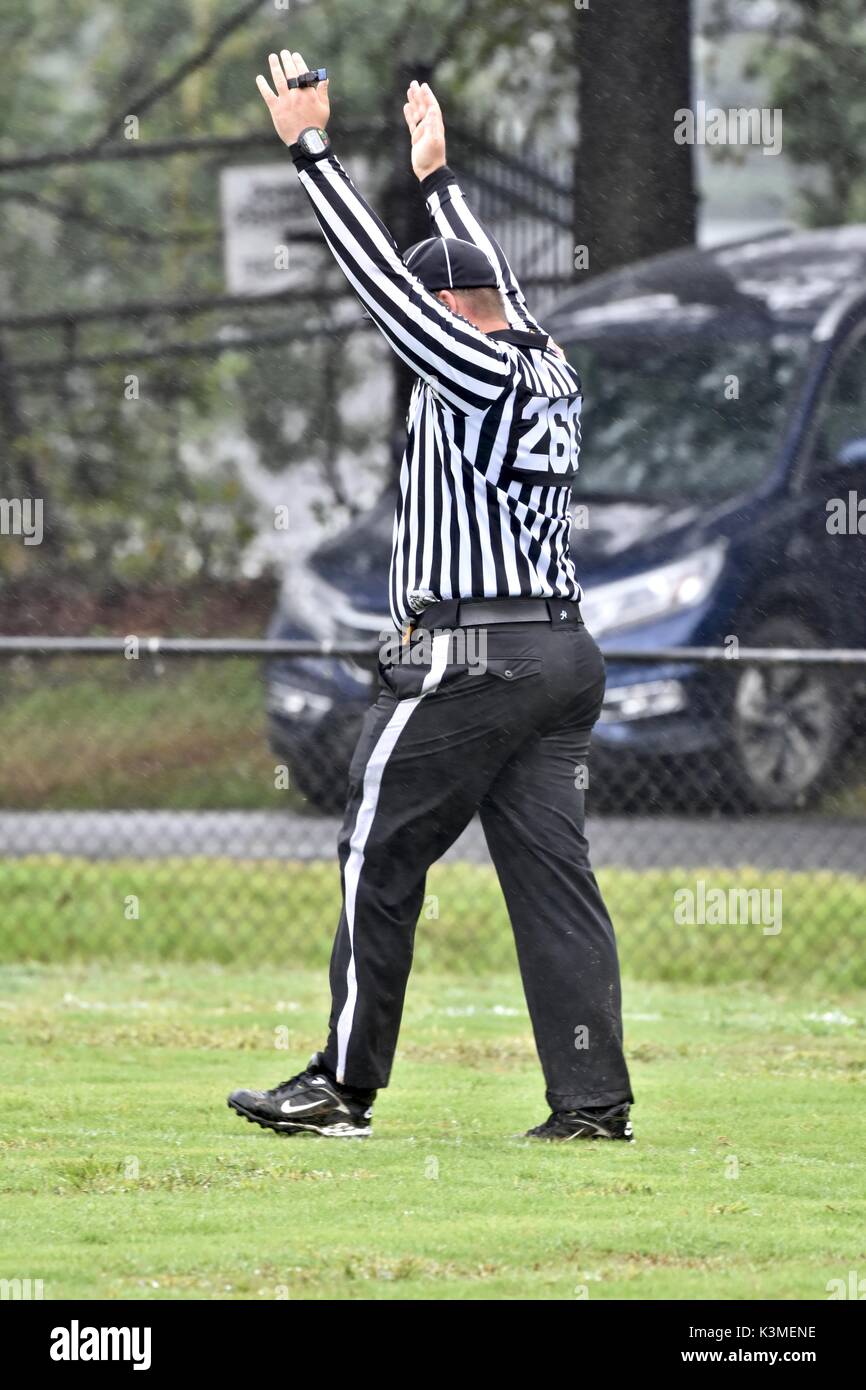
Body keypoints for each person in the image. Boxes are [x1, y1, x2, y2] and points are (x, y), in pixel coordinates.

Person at [228, 50, 633, 1142]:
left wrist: (310, 151)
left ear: (450, 307)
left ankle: (339, 1086)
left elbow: (383, 286)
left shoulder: (475, 367)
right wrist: (436, 175)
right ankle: (592, 1103)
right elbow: (481, 279)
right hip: (560, 656)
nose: (423, 327)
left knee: (374, 846)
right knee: (554, 881)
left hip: (475, 656)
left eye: (434, 302)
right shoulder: (544, 360)